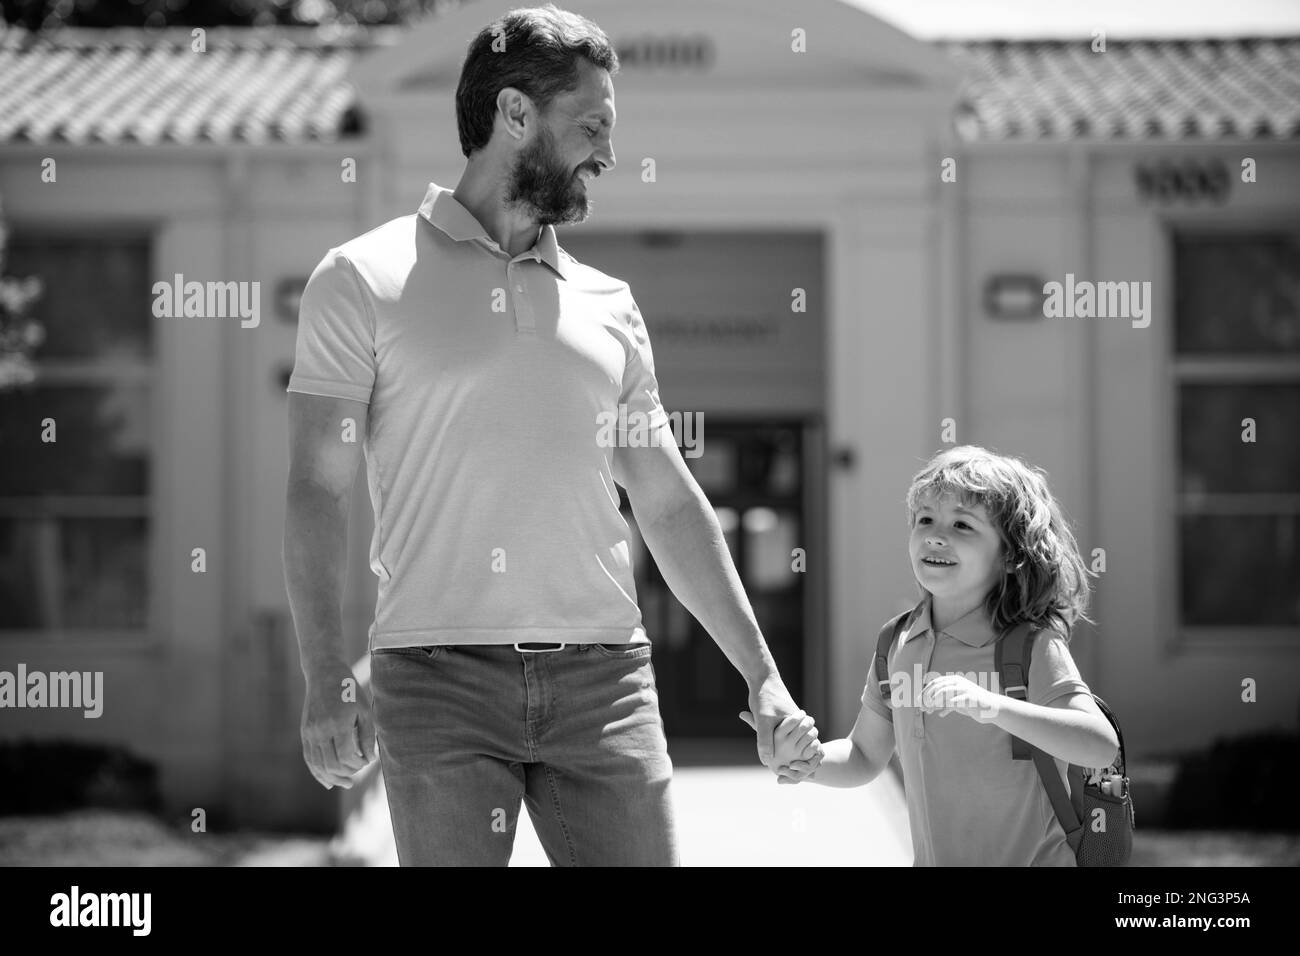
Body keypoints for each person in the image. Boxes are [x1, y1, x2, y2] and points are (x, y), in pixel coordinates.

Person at [281, 4, 819, 867]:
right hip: (436, 677)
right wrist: (325, 676)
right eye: (592, 124)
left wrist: (764, 678)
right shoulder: (361, 279)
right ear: (516, 114)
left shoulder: (610, 304)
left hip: (606, 684)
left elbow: (669, 504)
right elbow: (318, 488)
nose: (608, 151)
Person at [784, 445, 1119, 865]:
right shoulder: (896, 642)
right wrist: (806, 760)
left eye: (963, 524)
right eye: (925, 519)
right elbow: (866, 755)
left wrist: (992, 705)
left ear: (1011, 555)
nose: (935, 535)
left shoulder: (1031, 646)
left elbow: (1099, 746)